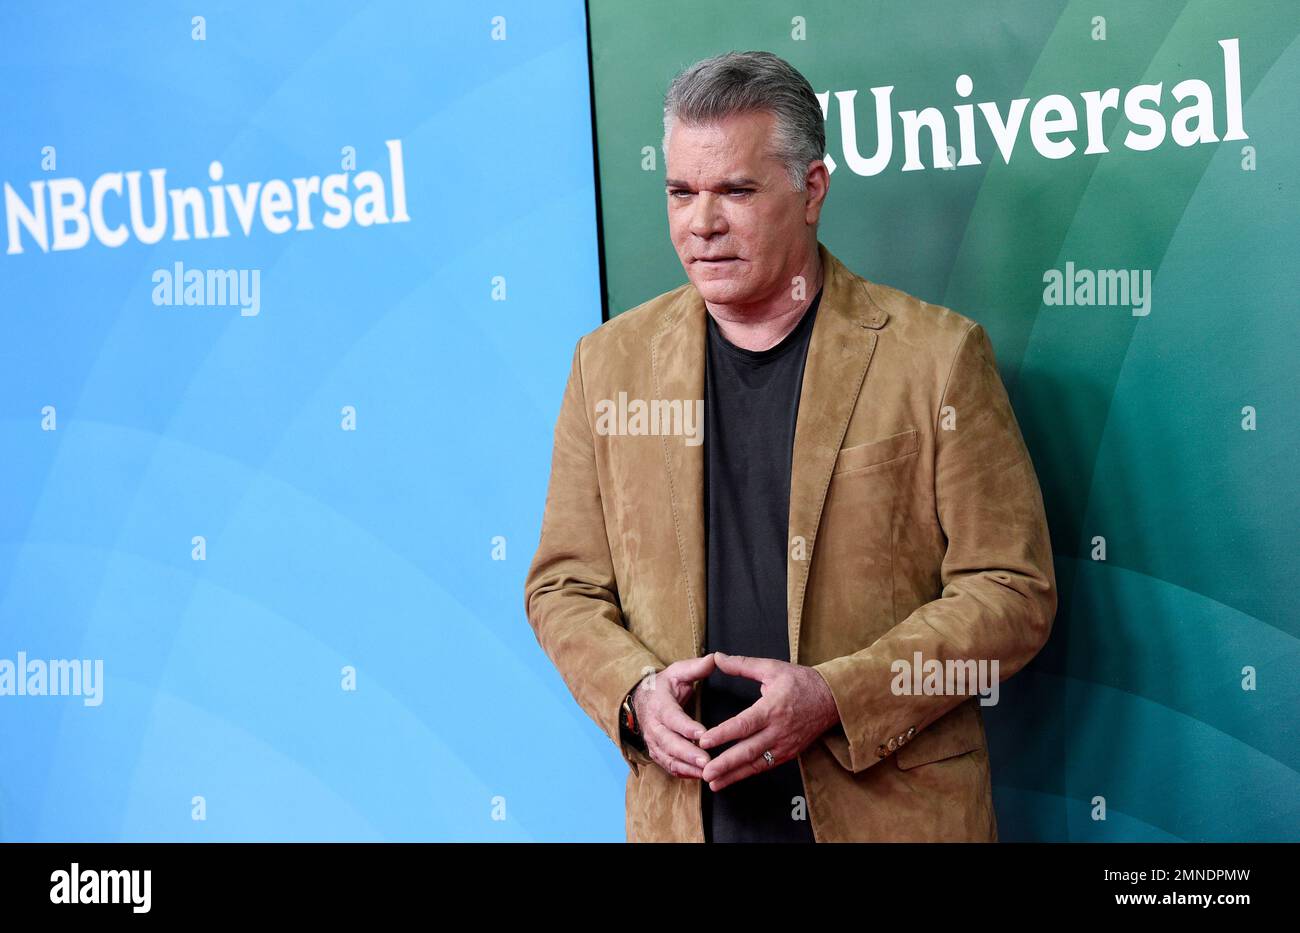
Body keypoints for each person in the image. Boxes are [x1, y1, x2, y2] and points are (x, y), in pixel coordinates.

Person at [524, 50, 1056, 842]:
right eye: (681, 192)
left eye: (735, 190)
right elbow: (563, 585)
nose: (701, 224)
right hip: (689, 818)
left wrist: (840, 697)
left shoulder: (937, 357)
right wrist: (632, 693)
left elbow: (1014, 594)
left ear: (812, 190)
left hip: (893, 819)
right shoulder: (607, 365)